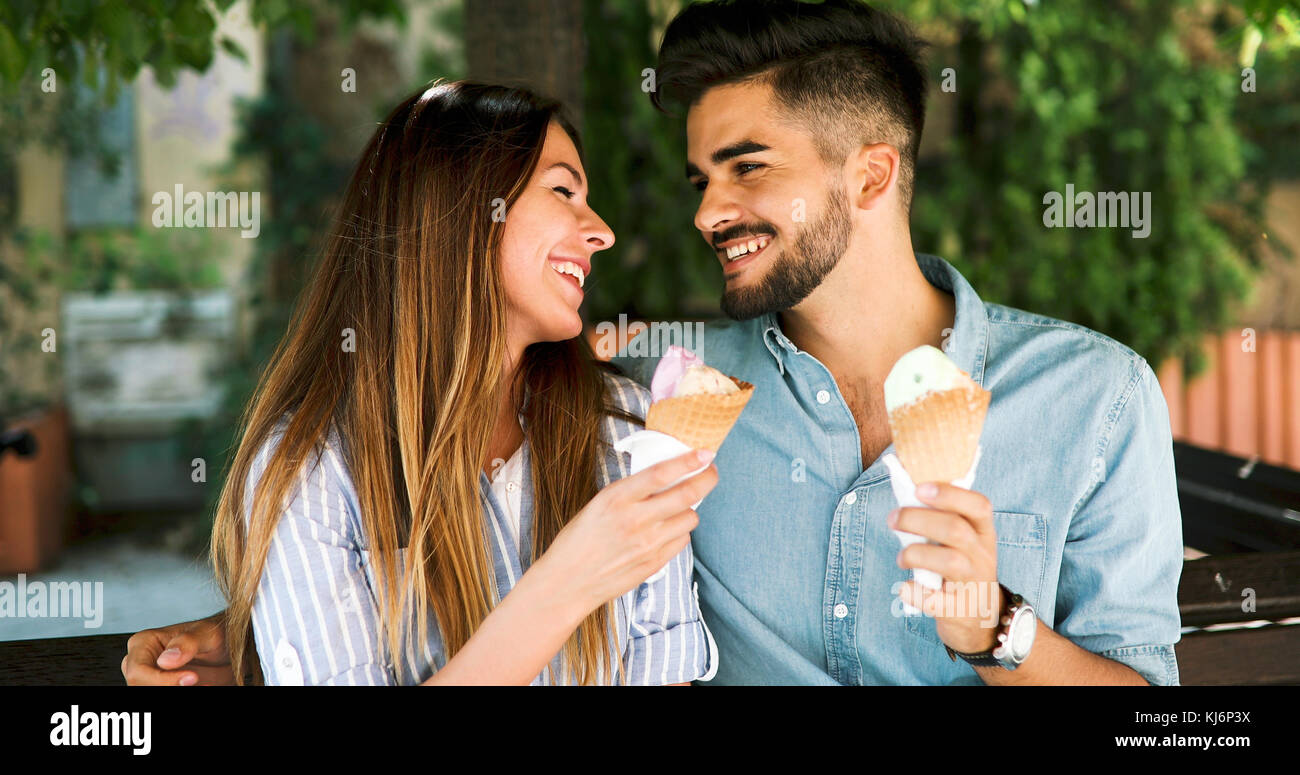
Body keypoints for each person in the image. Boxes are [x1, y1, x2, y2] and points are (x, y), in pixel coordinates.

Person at [127, 0, 1183, 686]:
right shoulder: (671, 397)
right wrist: (262, 626)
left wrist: (999, 632)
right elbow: (448, 469)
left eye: (746, 167)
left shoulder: (1095, 398)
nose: (704, 211)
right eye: (699, 179)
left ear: (868, 175)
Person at [124, 81, 719, 686]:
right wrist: (566, 584)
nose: (602, 232)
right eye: (563, 190)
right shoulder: (310, 467)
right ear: (461, 207)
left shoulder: (626, 423)